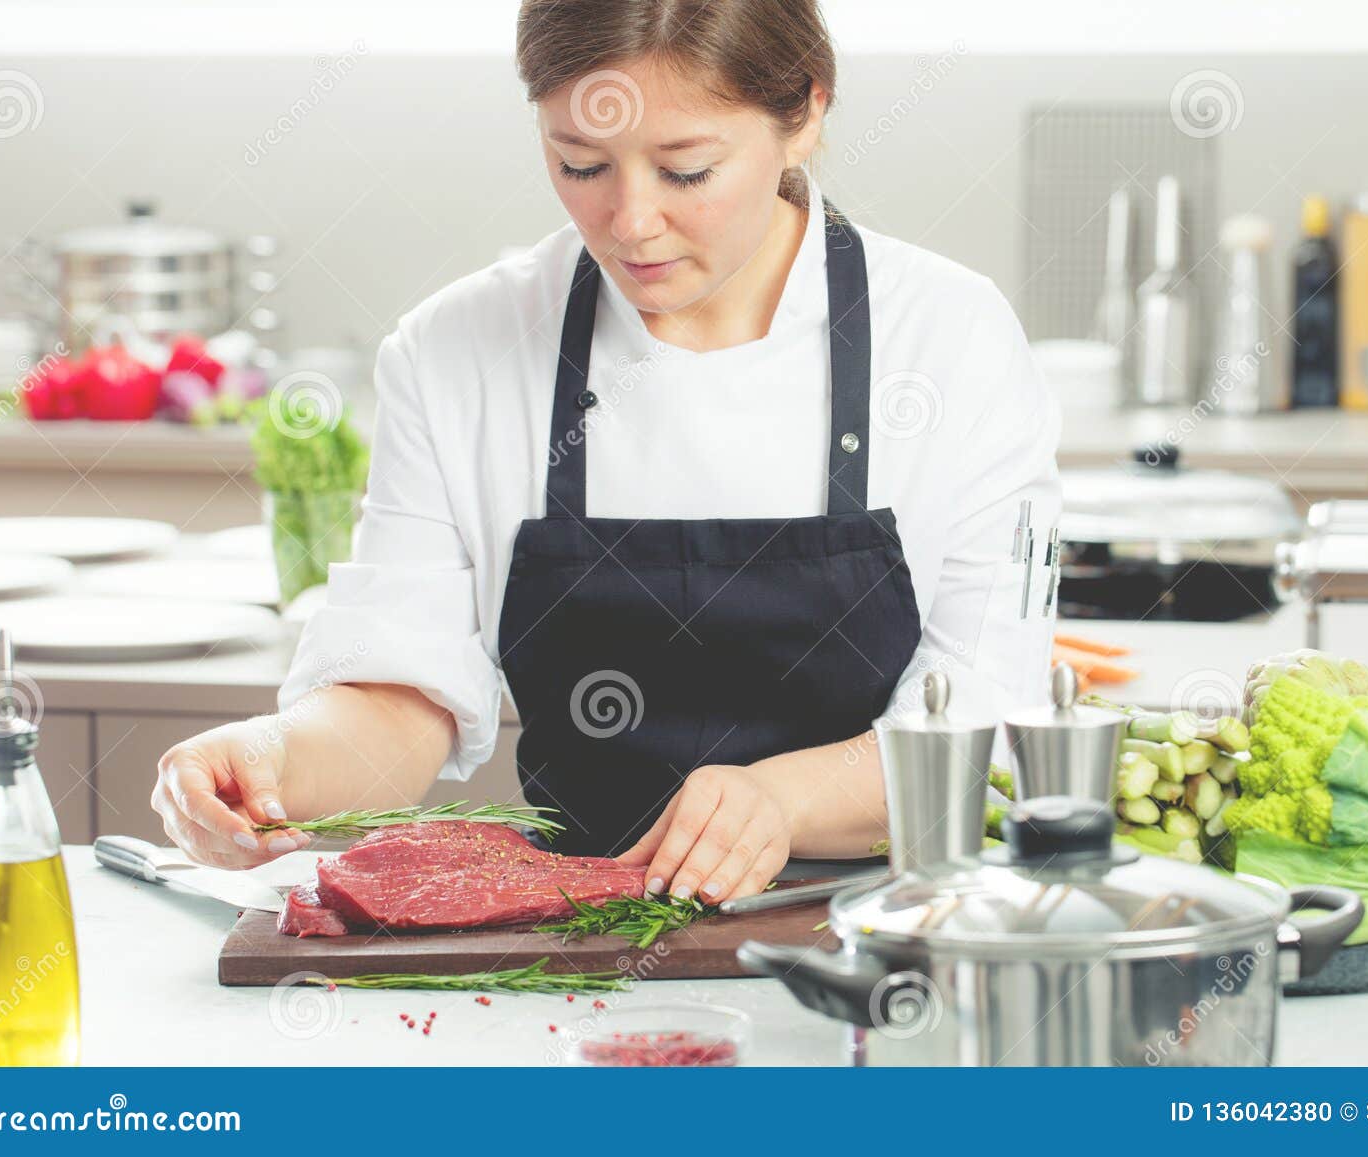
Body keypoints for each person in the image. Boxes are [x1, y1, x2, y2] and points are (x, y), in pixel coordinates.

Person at [151, 0, 1060, 904]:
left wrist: (780, 798)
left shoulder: (953, 339)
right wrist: (271, 760)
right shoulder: (459, 349)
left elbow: (986, 718)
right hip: (579, 939)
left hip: (891, 934)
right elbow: (401, 696)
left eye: (687, 171)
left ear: (806, 113)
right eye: (579, 164)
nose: (629, 221)